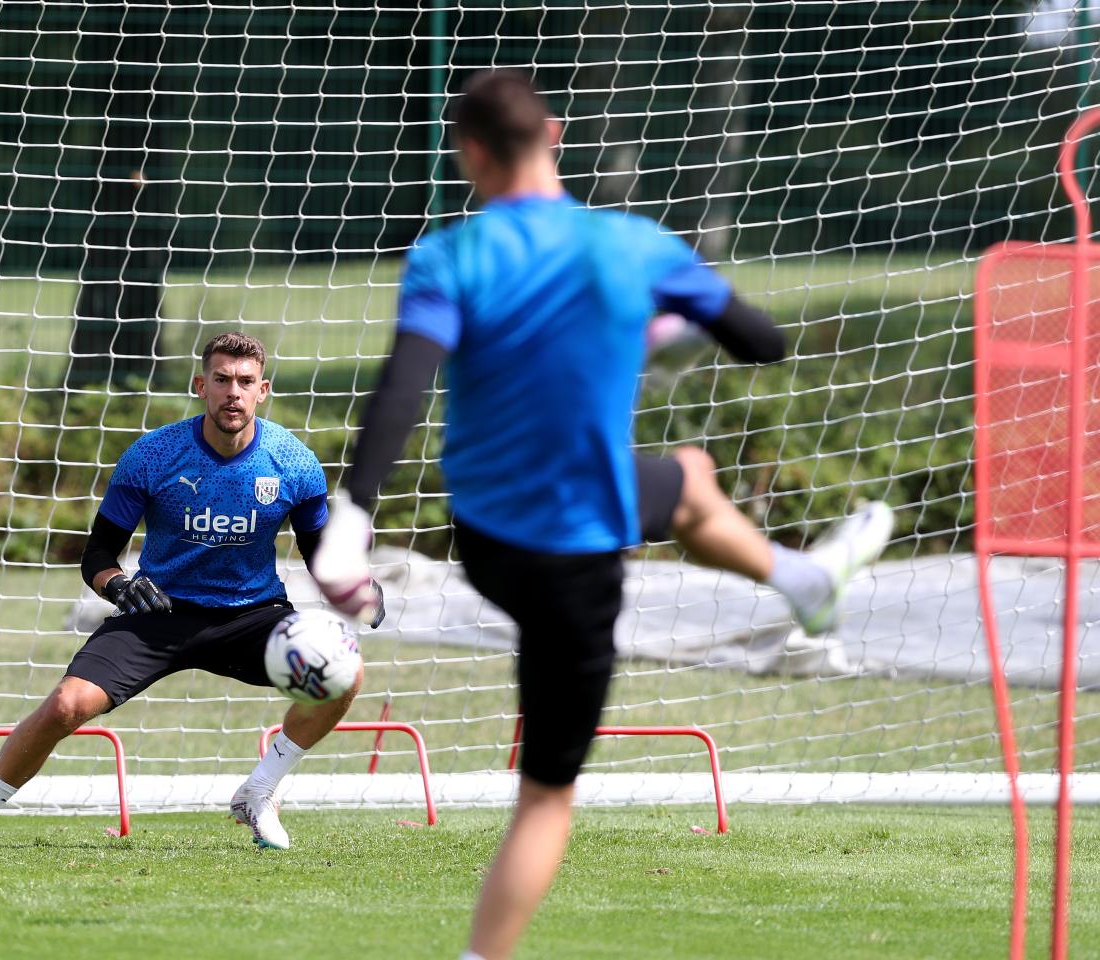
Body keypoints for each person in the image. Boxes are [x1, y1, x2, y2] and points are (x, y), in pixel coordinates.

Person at [311, 70, 890, 960]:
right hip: (577, 559)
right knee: (545, 794)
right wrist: (676, 321)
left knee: (688, 478)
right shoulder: (634, 245)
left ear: (469, 154)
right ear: (554, 131)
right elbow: (764, 343)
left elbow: (402, 390)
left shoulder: (448, 255)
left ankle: (804, 581)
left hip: (490, 540)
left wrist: (353, 515)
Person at [0, 332, 382, 853]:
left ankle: (260, 790)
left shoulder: (293, 463)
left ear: (263, 390)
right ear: (200, 386)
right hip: (159, 611)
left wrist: (358, 585)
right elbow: (97, 555)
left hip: (253, 614)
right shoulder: (153, 455)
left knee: (347, 673)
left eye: (245, 382)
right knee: (66, 705)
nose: (234, 392)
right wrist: (119, 587)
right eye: (222, 380)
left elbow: (323, 557)